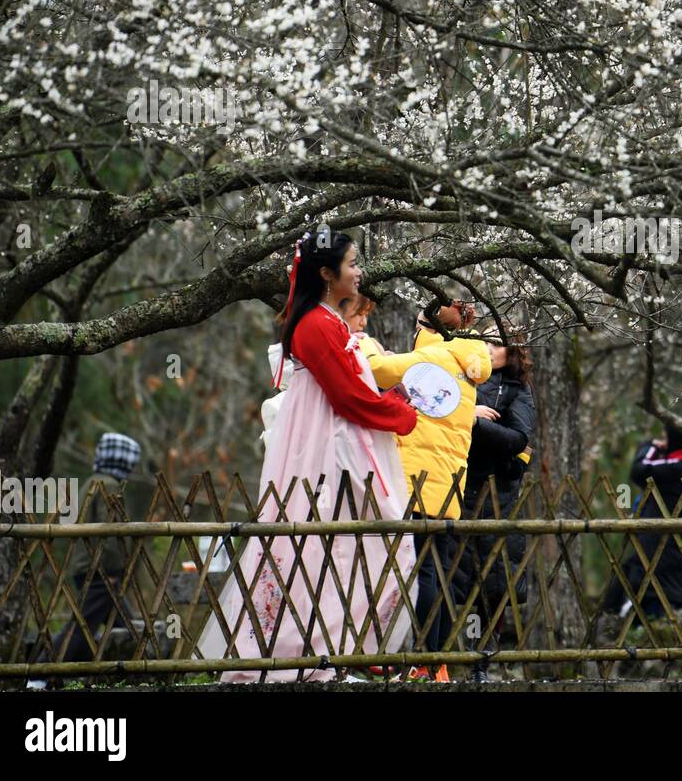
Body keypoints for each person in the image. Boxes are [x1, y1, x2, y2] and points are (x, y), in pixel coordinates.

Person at [196, 228, 419, 683]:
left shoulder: (327, 321)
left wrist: (390, 401)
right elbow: (347, 397)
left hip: (332, 439)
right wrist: (399, 414)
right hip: (324, 445)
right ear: (325, 273)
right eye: (352, 264)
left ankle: (328, 653)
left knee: (337, 541)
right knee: (325, 539)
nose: (358, 272)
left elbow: (351, 389)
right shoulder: (316, 325)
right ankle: (304, 655)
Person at [357, 297, 492, 682]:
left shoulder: (430, 359)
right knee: (436, 568)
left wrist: (366, 342)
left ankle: (424, 660)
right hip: (449, 483)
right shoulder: (468, 368)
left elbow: (376, 369)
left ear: (431, 327)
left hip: (416, 479)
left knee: (421, 572)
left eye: (419, 323)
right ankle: (435, 663)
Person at [451, 323, 537, 681]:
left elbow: (517, 438)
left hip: (494, 494)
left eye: (498, 342)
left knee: (492, 583)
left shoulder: (518, 392)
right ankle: (438, 659)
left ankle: (481, 662)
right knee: (448, 575)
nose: (489, 348)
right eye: (485, 339)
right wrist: (467, 413)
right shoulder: (458, 378)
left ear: (513, 350)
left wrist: (476, 426)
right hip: (453, 485)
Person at [603, 423, 682, 622]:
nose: (663, 441)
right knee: (634, 579)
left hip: (661, 549)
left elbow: (639, 470)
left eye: (665, 437)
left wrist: (649, 445)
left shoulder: (679, 467)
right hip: (668, 547)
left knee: (653, 600)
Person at [53, 433, 143, 663]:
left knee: (124, 625)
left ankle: (141, 668)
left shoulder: (91, 481)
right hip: (100, 571)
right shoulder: (109, 485)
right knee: (82, 627)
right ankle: (41, 672)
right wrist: (113, 571)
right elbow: (111, 533)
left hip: (87, 566)